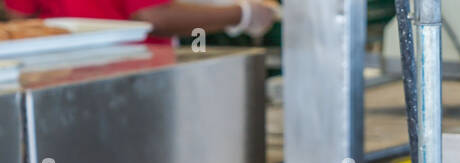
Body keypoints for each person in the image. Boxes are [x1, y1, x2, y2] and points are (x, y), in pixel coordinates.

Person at [1, 0, 280, 42]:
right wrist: (242, 14)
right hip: (129, 83)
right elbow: (154, 17)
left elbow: (19, 15)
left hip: (53, 86)